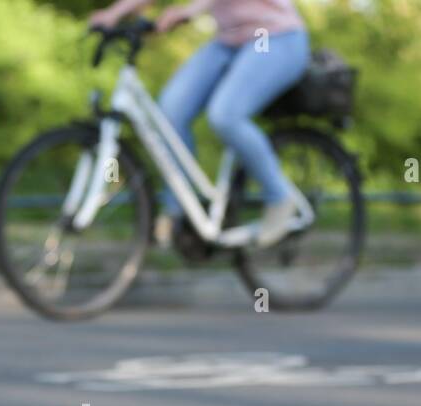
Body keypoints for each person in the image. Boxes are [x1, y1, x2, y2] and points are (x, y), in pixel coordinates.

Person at [89, 0, 311, 248]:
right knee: (170, 112)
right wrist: (114, 13)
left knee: (226, 115)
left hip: (275, 36)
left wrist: (188, 11)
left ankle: (280, 197)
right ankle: (179, 212)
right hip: (229, 41)